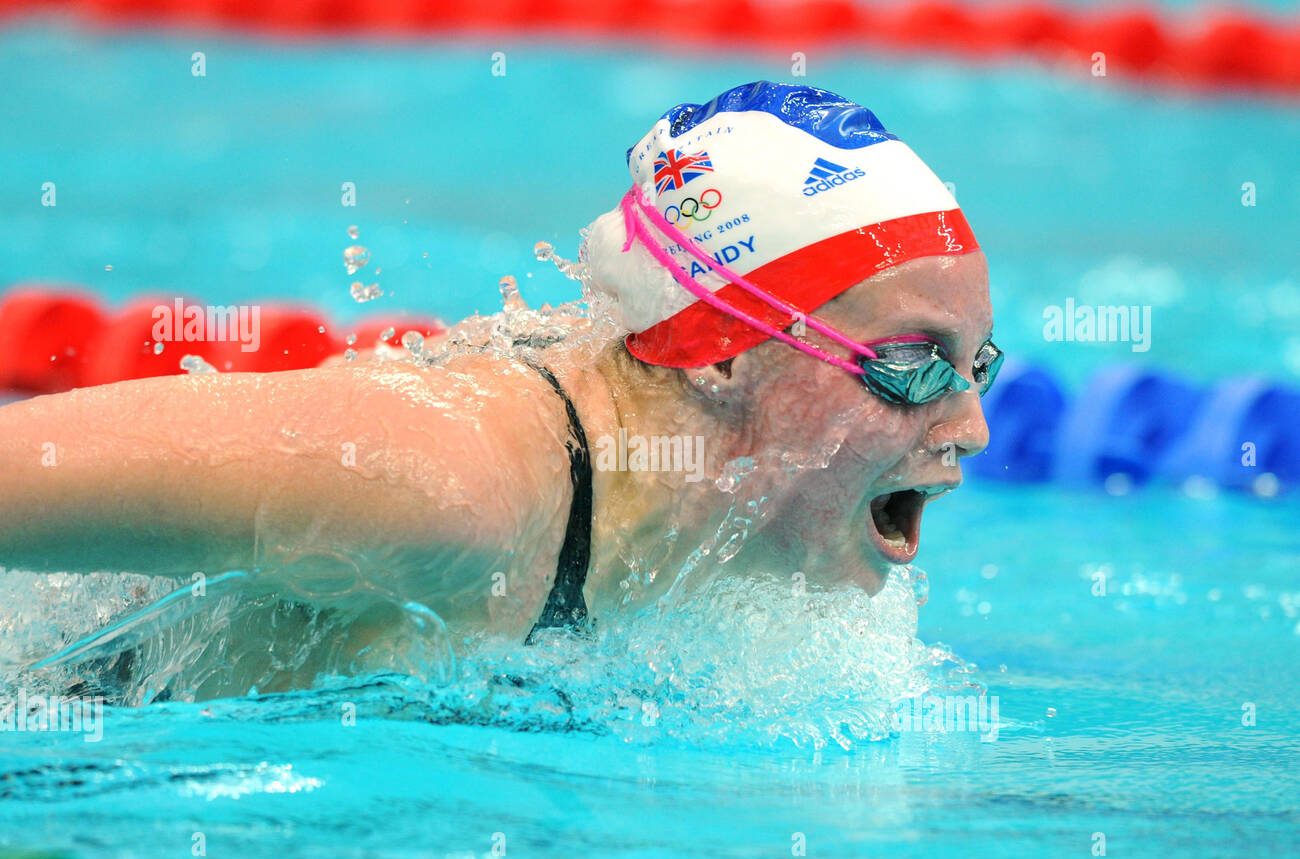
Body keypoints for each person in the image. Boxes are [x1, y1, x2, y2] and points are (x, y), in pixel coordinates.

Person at [0, 81, 998, 657]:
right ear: (721, 350)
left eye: (976, 367)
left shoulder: (719, 547)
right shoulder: (448, 485)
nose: (970, 428)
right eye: (912, 365)